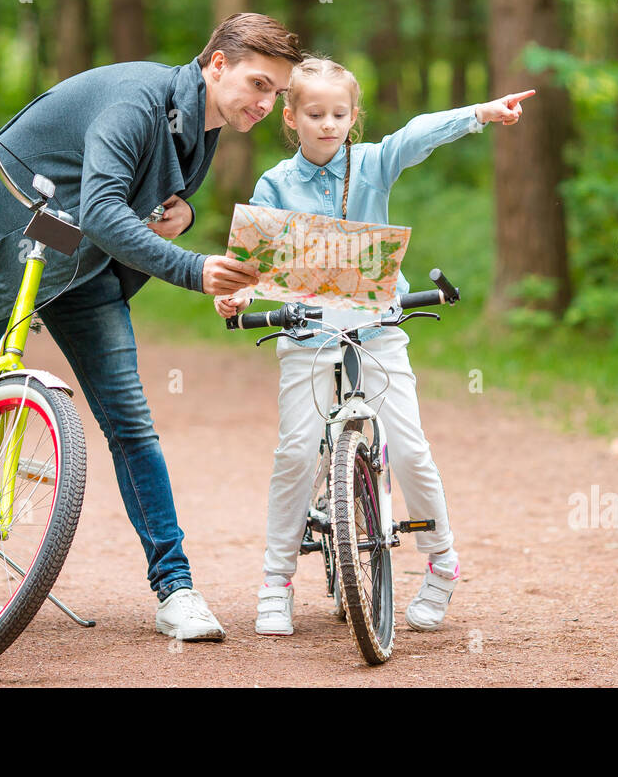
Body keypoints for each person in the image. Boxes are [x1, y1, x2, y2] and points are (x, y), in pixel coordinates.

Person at [0, 13, 300, 650]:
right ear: (217, 64)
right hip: (0, 243)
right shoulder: (137, 102)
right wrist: (193, 267)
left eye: (278, 94)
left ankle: (175, 588)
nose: (266, 104)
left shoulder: (202, 122)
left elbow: (128, 203)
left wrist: (177, 213)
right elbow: (103, 206)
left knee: (129, 419)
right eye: (258, 84)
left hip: (76, 254)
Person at [215, 56, 534, 635]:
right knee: (294, 453)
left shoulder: (370, 165)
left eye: (339, 113)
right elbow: (252, 260)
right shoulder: (275, 184)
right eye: (315, 114)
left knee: (410, 451)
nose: (328, 124)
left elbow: (414, 135)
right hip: (307, 332)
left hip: (377, 328)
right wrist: (235, 296)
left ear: (353, 117)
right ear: (291, 118)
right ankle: (276, 580)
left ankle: (442, 562)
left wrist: (480, 114)